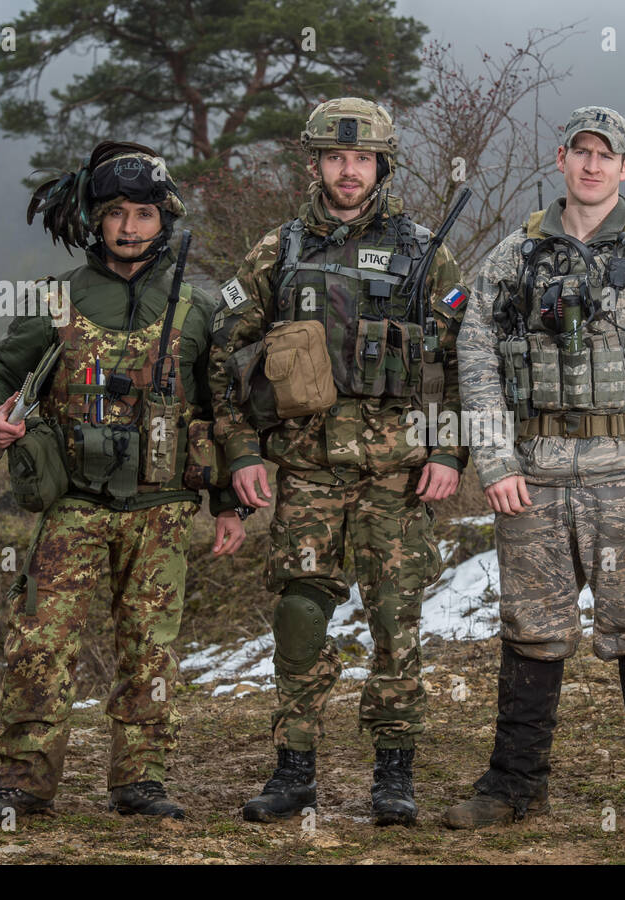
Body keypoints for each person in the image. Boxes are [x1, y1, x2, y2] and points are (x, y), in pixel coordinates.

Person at [444, 106, 625, 834]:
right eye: (581, 152)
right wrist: (495, 460)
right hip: (532, 477)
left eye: (608, 155)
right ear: (560, 159)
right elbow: (476, 357)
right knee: (530, 630)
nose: (592, 165)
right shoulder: (514, 257)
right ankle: (512, 785)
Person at [0, 141, 246, 823]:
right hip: (74, 507)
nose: (128, 227)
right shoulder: (58, 299)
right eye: (116, 212)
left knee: (150, 649)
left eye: (143, 214)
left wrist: (229, 502)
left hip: (164, 509)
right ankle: (23, 783)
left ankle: (140, 781)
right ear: (94, 216)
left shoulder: (199, 308)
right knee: (38, 642)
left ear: (164, 218)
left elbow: (221, 410)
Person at [208, 97, 469, 826]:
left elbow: (462, 359)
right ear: (315, 162)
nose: (348, 171)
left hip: (398, 475)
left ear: (382, 165)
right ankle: (294, 769)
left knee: (397, 618)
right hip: (308, 470)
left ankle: (394, 772)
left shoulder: (427, 251)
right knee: (298, 613)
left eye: (361, 159)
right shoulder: (278, 251)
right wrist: (239, 452)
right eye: (334, 157)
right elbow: (226, 356)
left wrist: (450, 450)